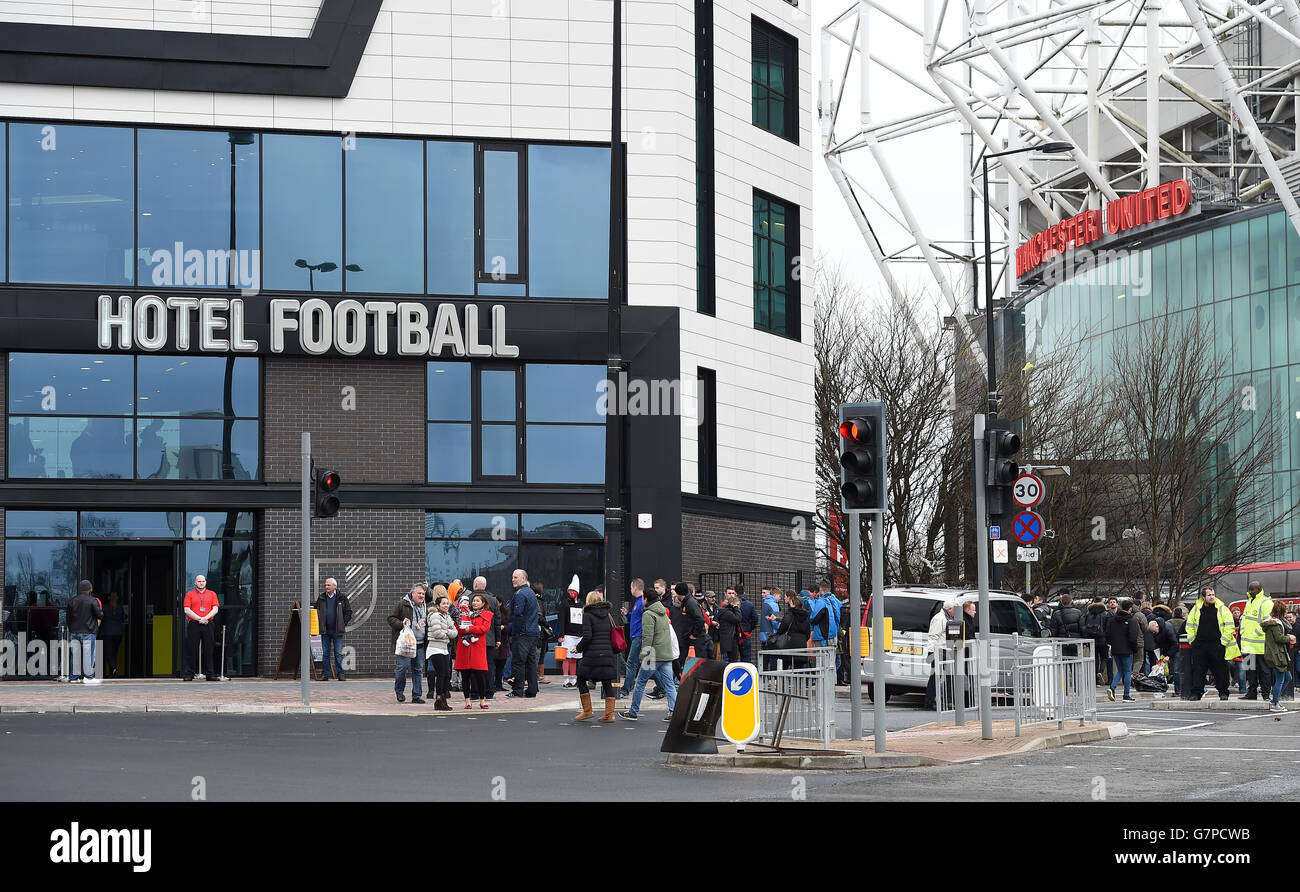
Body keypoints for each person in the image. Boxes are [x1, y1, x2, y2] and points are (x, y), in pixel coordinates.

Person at [619, 586, 679, 721]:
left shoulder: (648, 614)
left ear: (645, 599)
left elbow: (647, 637)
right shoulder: (663, 611)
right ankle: (673, 711)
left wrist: (644, 656)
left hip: (653, 655)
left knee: (640, 682)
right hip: (666, 653)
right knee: (669, 684)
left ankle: (633, 712)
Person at [573, 591, 619, 723]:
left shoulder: (587, 615)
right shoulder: (608, 614)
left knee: (581, 679)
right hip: (607, 653)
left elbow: (588, 636)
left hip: (593, 654)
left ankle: (587, 711)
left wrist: (578, 648)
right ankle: (609, 715)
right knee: (606, 682)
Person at [1186, 587, 1234, 702]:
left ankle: (1223, 692)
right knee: (1198, 670)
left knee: (1220, 670)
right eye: (1209, 595)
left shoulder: (1222, 608)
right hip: (1200, 645)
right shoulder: (1196, 609)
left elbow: (1230, 626)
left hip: (1217, 645)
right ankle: (1196, 693)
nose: (1212, 597)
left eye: (1213, 594)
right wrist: (1193, 641)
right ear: (1203, 597)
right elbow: (1189, 625)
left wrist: (1223, 642)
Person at [388, 583, 428, 704]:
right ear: (413, 593)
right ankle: (399, 691)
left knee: (418, 670)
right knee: (403, 668)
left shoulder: (425, 606)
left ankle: (416, 695)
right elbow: (390, 618)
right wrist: (402, 624)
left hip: (420, 643)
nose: (421, 595)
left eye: (423, 593)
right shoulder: (402, 604)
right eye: (419, 593)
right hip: (406, 644)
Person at [453, 593, 494, 709]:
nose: (475, 603)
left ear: (483, 603)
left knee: (480, 675)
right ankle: (467, 701)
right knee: (465, 675)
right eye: (474, 601)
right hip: (465, 647)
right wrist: (464, 629)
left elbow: (484, 629)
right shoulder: (464, 613)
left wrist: (469, 629)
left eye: (478, 601)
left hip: (477, 647)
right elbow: (458, 627)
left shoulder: (487, 614)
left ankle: (482, 700)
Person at [313, 576, 353, 681]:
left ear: (334, 586)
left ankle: (340, 674)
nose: (326, 587)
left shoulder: (342, 597)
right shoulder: (321, 598)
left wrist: (342, 623)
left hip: (337, 630)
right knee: (325, 653)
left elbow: (348, 612)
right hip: (325, 630)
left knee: (338, 653)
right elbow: (316, 612)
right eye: (326, 585)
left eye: (328, 585)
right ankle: (325, 674)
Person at [507, 568, 539, 698]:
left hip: (522, 633)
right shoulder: (531, 592)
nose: (513, 579)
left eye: (516, 577)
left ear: (523, 579)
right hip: (532, 632)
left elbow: (518, 615)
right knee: (531, 662)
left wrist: (514, 632)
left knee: (518, 662)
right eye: (513, 577)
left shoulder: (520, 594)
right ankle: (532, 690)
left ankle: (517, 690)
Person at [1240, 580, 1275, 700]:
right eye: (1249, 589)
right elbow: (1244, 619)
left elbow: (1267, 622)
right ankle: (1251, 693)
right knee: (1250, 670)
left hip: (1260, 645)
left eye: (1253, 589)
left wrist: (1254, 634)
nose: (1250, 591)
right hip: (1248, 645)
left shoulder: (1266, 602)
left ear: (1259, 589)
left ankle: (1265, 694)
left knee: (1265, 671)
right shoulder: (1249, 601)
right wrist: (1243, 631)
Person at [424, 589, 457, 710]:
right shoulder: (435, 616)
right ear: (438, 605)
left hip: (444, 649)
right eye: (443, 603)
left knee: (446, 674)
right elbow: (437, 633)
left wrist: (447, 631)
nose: (446, 605)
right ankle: (439, 700)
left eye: (447, 603)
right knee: (441, 674)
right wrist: (448, 633)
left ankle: (443, 699)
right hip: (435, 648)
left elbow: (455, 632)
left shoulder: (447, 616)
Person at [182, 574, 219, 682]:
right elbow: (187, 610)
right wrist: (199, 619)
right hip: (194, 624)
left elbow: (215, 609)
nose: (201, 583)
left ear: (206, 582)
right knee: (192, 650)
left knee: (209, 649)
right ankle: (190, 674)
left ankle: (210, 674)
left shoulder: (212, 594)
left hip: (208, 623)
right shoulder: (190, 594)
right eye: (199, 581)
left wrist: (205, 618)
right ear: (195, 582)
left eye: (203, 581)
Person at [471, 576, 501, 700]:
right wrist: (498, 639)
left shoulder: (469, 598)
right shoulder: (493, 600)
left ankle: (474, 693)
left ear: (476, 585)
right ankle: (489, 692)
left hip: (473, 638)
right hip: (489, 639)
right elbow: (497, 621)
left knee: (473, 666)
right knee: (488, 665)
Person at [67, 580, 103, 685]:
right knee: (88, 655)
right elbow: (100, 615)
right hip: (88, 631)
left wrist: (72, 628)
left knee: (75, 655)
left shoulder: (72, 601)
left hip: (74, 632)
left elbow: (68, 618)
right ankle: (89, 677)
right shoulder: (92, 601)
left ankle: (74, 677)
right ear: (90, 589)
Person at [1262, 601, 1294, 713]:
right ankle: (1275, 703)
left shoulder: (1273, 623)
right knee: (1280, 679)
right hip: (1277, 654)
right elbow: (1279, 638)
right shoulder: (1275, 624)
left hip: (1277, 653)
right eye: (1284, 611)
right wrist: (1289, 637)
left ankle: (1275, 699)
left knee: (1288, 678)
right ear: (1281, 611)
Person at [924, 600, 956, 710]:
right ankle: (930, 701)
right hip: (938, 651)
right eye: (954, 609)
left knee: (947, 676)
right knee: (936, 677)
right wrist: (931, 652)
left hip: (944, 650)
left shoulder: (947, 618)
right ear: (949, 609)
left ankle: (946, 701)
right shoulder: (939, 619)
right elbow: (933, 636)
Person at [1105, 599, 1139, 701]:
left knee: (1120, 670)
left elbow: (1107, 634)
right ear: (1130, 609)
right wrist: (1134, 649)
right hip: (1127, 650)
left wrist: (1113, 644)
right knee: (1127, 672)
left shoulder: (1112, 620)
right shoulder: (1131, 621)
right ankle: (1126, 695)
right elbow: (1133, 637)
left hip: (1115, 649)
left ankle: (1112, 687)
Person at [618, 578, 647, 698]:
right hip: (636, 636)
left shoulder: (641, 603)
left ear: (635, 587)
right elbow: (636, 618)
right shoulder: (638, 602)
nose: (630, 590)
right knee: (645, 665)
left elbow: (645, 621)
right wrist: (628, 614)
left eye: (631, 587)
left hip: (638, 636)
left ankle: (626, 689)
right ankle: (662, 687)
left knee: (631, 663)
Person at [775, 590, 811, 668]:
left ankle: (785, 681)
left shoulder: (790, 613)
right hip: (801, 644)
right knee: (799, 669)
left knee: (785, 667)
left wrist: (778, 635)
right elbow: (808, 633)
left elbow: (783, 626)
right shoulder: (806, 616)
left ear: (793, 604)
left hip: (790, 643)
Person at [1082, 597, 1110, 685]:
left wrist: (1085, 639)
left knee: (1095, 659)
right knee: (1104, 658)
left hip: (1091, 639)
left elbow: (1084, 626)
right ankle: (1100, 672)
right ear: (1102, 602)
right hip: (1103, 639)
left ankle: (1095, 681)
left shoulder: (1088, 613)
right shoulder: (1105, 613)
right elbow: (1108, 628)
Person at [100, 591, 126, 679]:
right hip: (118, 633)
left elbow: (101, 618)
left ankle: (114, 669)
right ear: (117, 598)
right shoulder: (120, 608)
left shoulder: (104, 608)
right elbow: (122, 619)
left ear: (108, 598)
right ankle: (113, 671)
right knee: (114, 652)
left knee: (108, 653)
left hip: (107, 632)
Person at [714, 590, 742, 664]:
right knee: (729, 661)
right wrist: (736, 608)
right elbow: (737, 619)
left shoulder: (727, 611)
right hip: (729, 640)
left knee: (732, 659)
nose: (739, 607)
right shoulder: (726, 612)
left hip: (730, 639)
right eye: (737, 605)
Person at [760, 586, 782, 671]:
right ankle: (774, 679)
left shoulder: (765, 603)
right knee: (773, 658)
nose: (779, 599)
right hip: (771, 635)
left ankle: (764, 679)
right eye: (779, 596)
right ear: (775, 595)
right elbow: (775, 621)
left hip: (763, 634)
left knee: (765, 659)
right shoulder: (774, 604)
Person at [736, 584, 757, 664]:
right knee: (746, 659)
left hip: (735, 634)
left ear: (735, 592)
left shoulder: (730, 605)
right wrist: (749, 628)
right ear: (744, 592)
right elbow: (755, 619)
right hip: (746, 634)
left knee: (732, 658)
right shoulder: (749, 605)